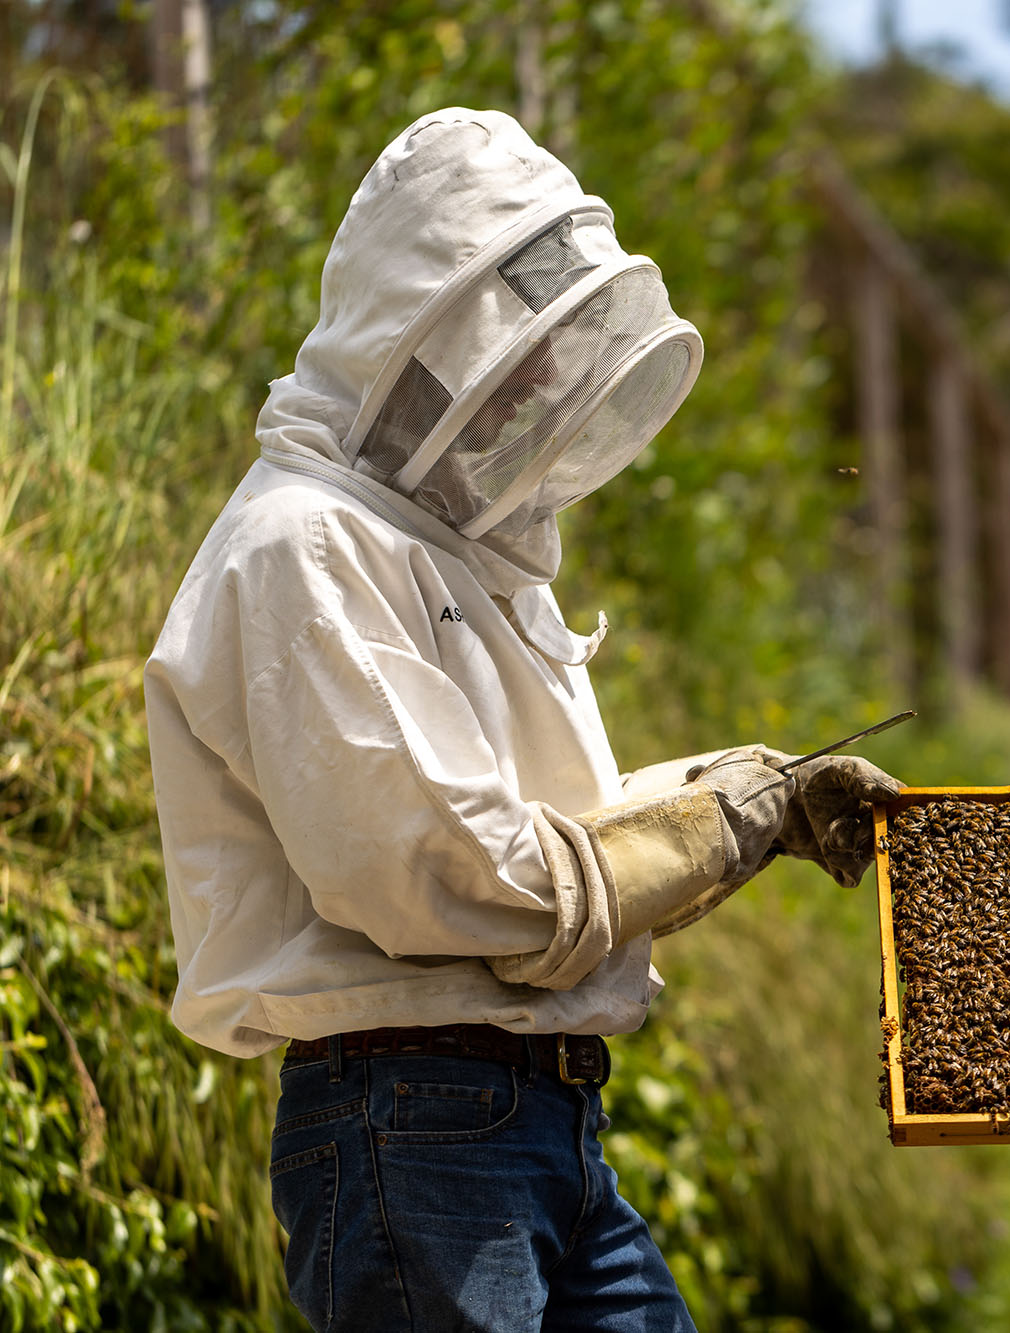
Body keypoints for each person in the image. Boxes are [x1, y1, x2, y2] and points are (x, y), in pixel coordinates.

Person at [143, 108, 897, 1333]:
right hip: (413, 1123)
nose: (540, 380)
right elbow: (450, 875)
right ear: (414, 334)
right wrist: (722, 823)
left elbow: (543, 834)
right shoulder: (305, 546)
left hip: (533, 1118)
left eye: (552, 346)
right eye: (512, 342)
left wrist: (756, 787)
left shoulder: (448, 556)